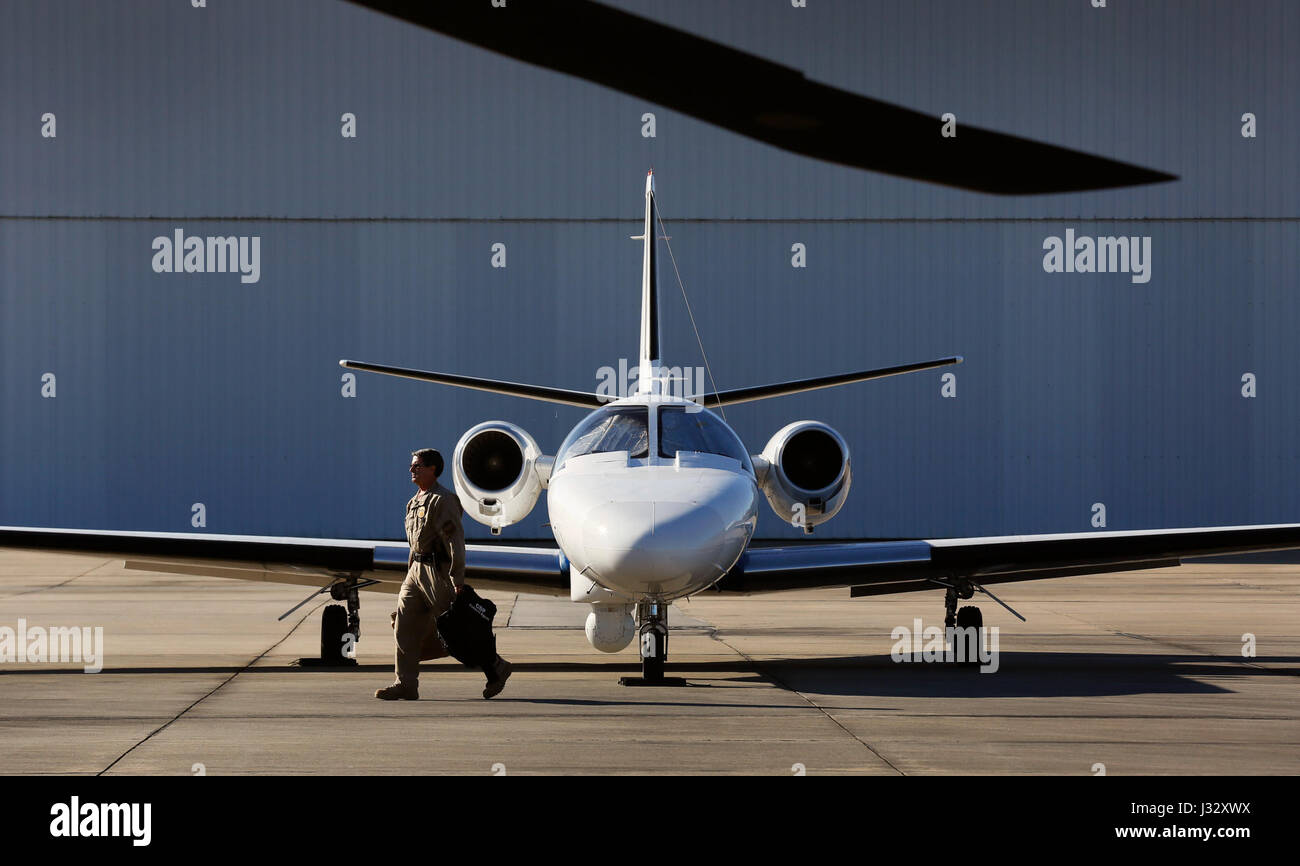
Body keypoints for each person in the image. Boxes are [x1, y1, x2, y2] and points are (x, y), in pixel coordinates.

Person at [375, 448, 511, 700]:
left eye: (417, 466)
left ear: (432, 469)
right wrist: (409, 575)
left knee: (458, 628)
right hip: (415, 572)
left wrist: (457, 578)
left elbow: (454, 541)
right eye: (412, 466)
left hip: (437, 573)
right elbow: (414, 544)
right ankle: (405, 683)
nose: (411, 470)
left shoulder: (443, 500)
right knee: (403, 626)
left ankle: (496, 668)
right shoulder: (414, 501)